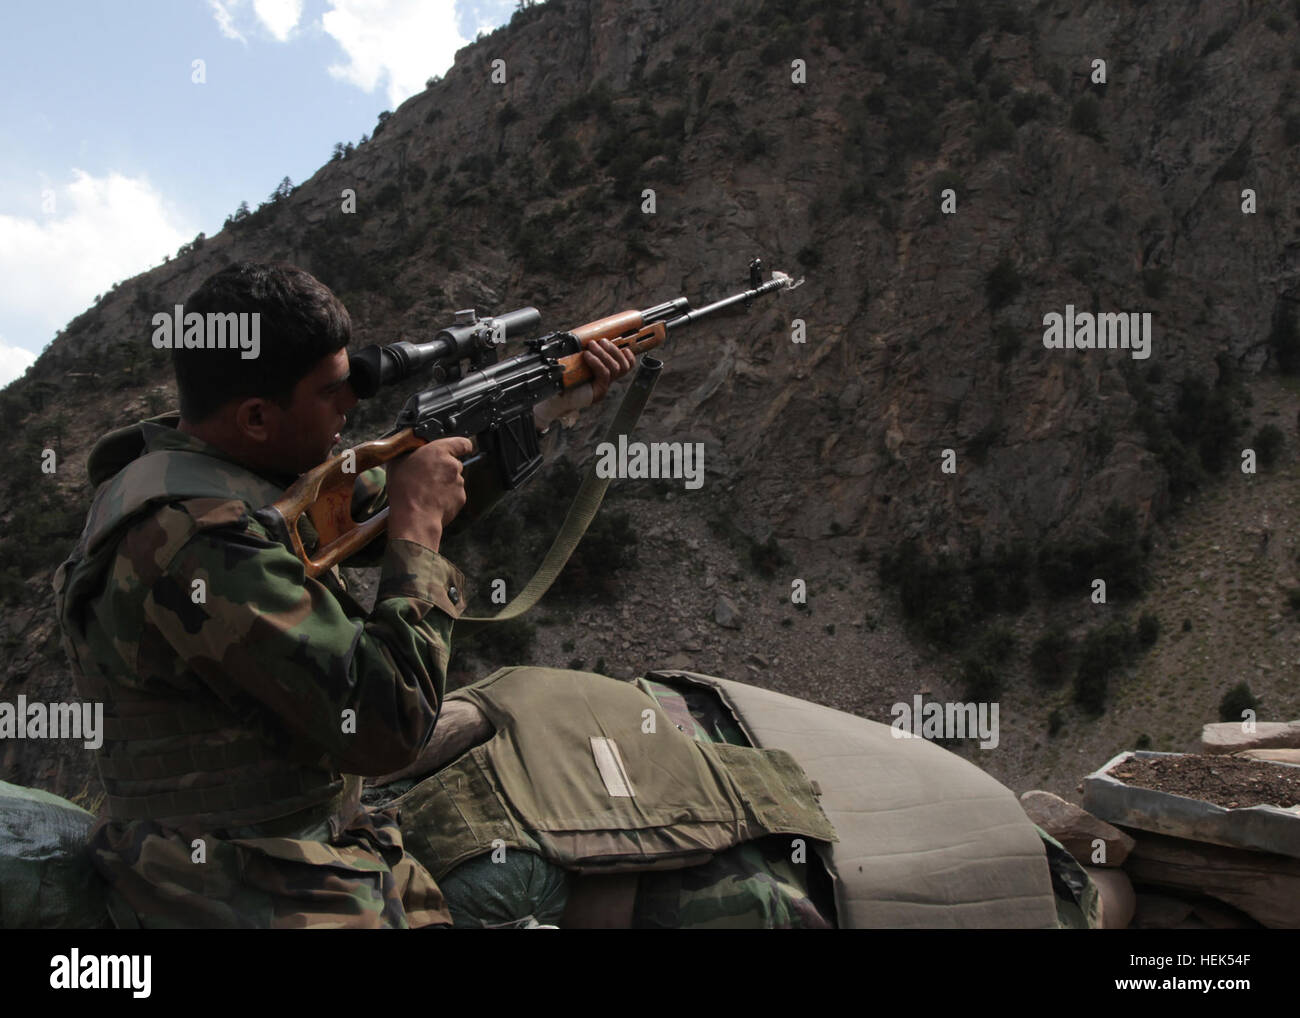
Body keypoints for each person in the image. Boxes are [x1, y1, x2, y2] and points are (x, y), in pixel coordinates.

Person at [53, 261, 634, 928]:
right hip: (247, 887)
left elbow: (378, 507)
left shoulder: (211, 471)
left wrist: (538, 411)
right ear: (255, 416)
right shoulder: (197, 542)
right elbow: (390, 724)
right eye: (332, 392)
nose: (353, 406)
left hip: (302, 853)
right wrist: (420, 530)